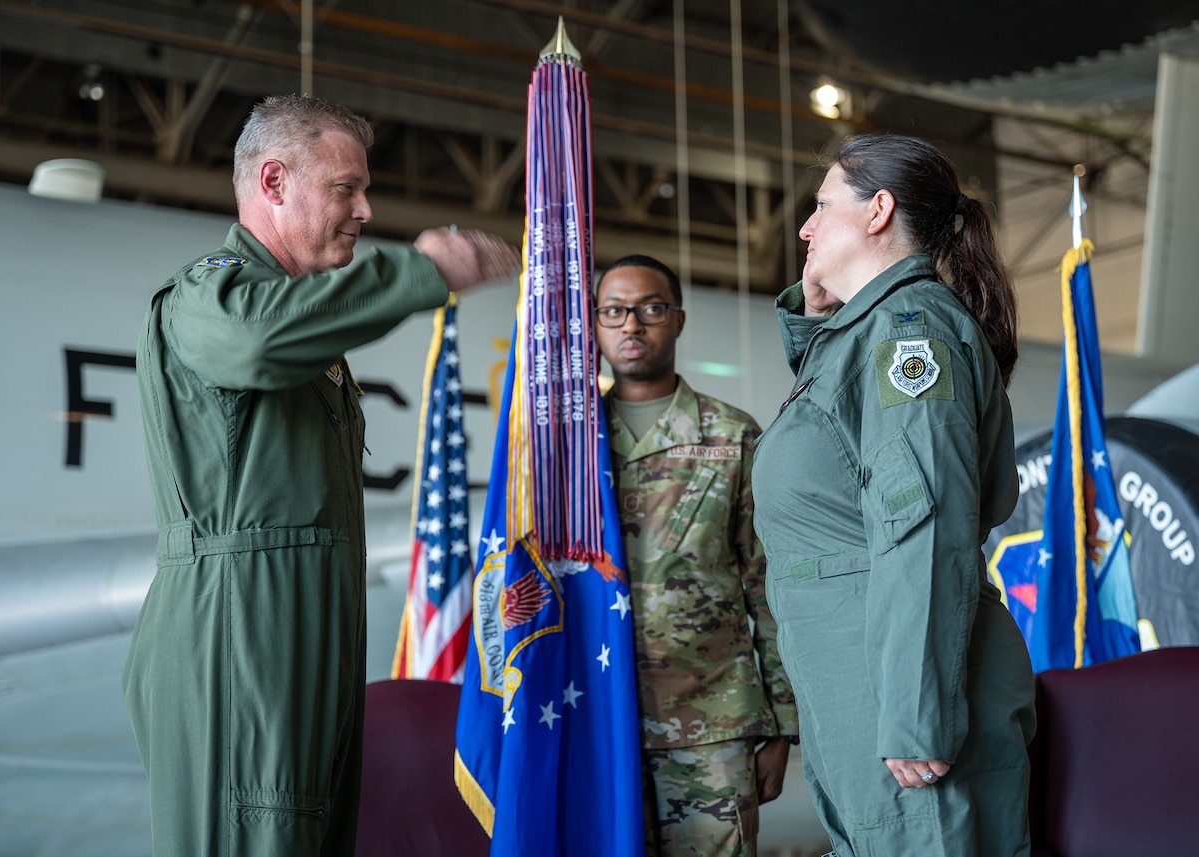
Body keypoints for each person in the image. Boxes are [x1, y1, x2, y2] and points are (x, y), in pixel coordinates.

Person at [122, 93, 518, 857]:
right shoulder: (212, 293)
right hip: (241, 644)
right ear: (273, 182)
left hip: (300, 643)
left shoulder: (301, 324)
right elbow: (261, 342)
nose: (365, 210)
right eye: (346, 188)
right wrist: (422, 273)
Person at [751, 133, 1036, 857]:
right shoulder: (874, 331)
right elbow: (841, 455)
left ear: (878, 210)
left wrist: (916, 714)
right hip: (861, 678)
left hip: (900, 690)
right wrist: (815, 318)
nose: (806, 226)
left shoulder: (910, 333)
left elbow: (925, 525)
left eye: (820, 206)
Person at [593, 254, 800, 857]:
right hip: (600, 716)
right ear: (595, 324)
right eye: (614, 311)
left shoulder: (733, 436)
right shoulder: (570, 445)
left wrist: (781, 727)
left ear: (678, 321)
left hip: (713, 728)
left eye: (651, 309)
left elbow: (769, 586)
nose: (632, 325)